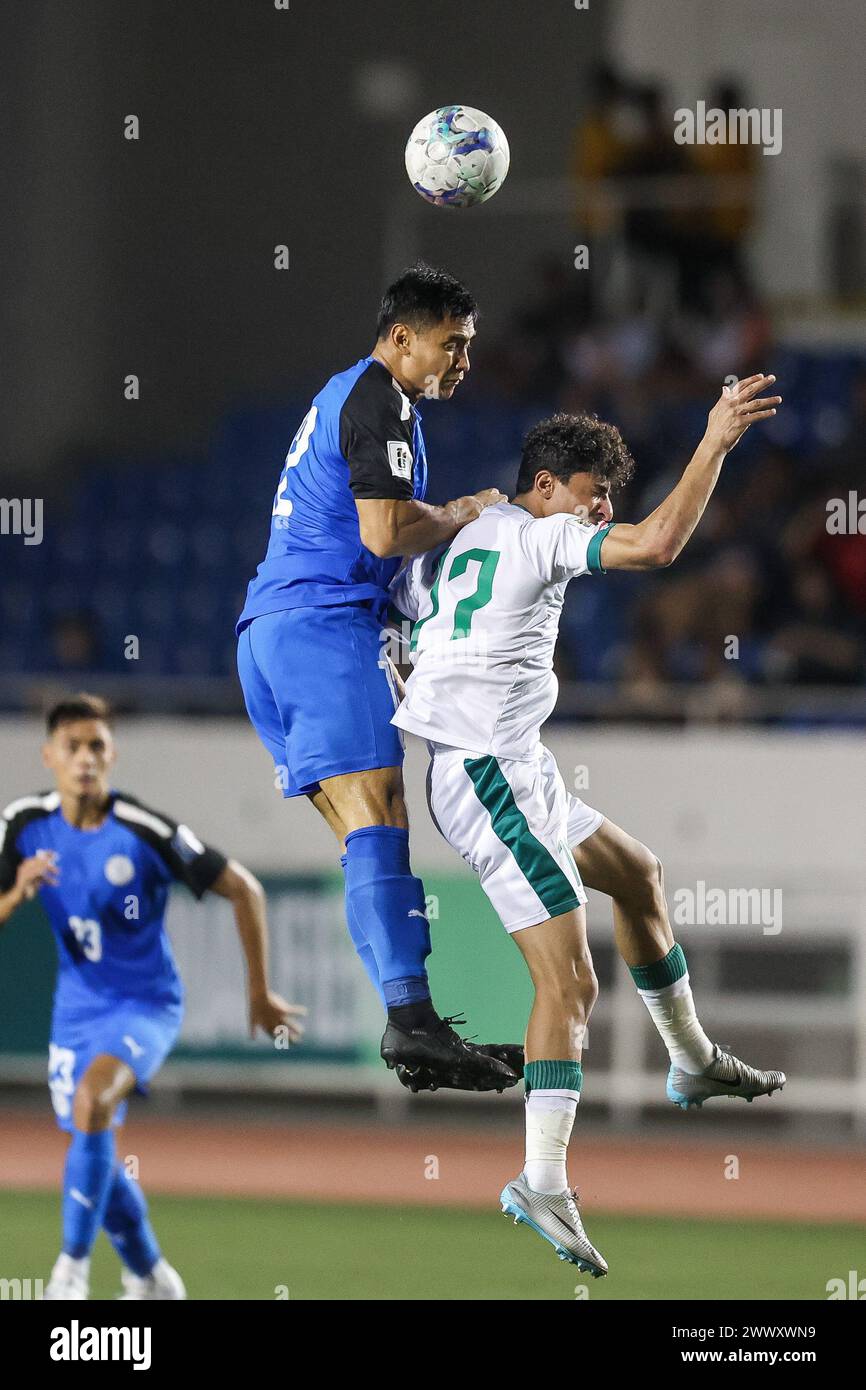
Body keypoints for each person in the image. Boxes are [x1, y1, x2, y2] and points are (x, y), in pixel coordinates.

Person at [388, 376, 786, 1274]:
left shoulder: (454, 542)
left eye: (606, 496)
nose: (602, 508)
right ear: (543, 488)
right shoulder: (537, 534)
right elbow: (657, 544)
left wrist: (407, 673)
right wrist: (715, 440)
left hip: (512, 764)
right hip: (492, 775)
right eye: (591, 492)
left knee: (638, 874)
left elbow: (401, 623)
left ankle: (689, 1060)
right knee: (570, 988)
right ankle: (542, 1180)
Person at [236, 262, 519, 1093]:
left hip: (268, 636)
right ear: (402, 338)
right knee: (384, 811)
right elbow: (389, 531)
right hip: (320, 629)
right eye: (451, 344)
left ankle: (413, 1018)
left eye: (469, 346)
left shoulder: (347, 394)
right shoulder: (380, 401)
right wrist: (466, 511)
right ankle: (411, 1022)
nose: (462, 361)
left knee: (366, 834)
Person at [0, 693, 305, 1301]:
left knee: (92, 1107)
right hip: (75, 1009)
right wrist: (15, 893)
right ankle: (151, 1277)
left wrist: (259, 992)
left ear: (113, 755)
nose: (86, 758)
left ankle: (69, 1275)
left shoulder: (144, 829)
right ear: (49, 756)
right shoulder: (21, 824)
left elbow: (244, 889)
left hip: (145, 1006)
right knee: (94, 1147)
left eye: (97, 746)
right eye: (73, 747)